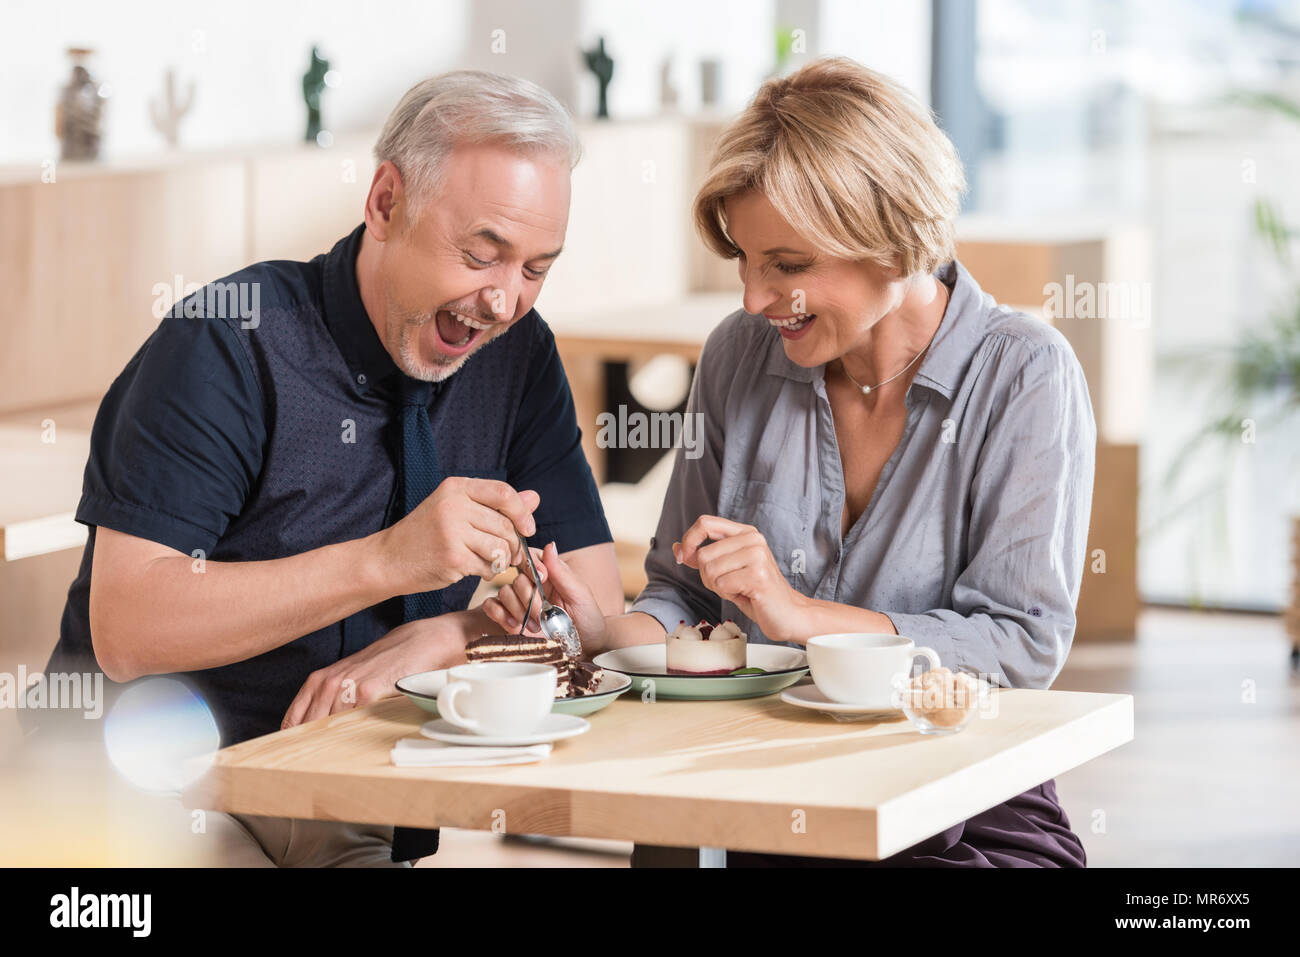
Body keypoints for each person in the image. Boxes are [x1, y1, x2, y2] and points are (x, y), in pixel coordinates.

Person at [487, 57, 1095, 867]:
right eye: (744, 259)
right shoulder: (740, 354)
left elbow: (1019, 646)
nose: (752, 297)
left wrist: (799, 615)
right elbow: (684, 592)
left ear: (893, 235)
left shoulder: (1025, 376)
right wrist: (605, 634)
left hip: (956, 802)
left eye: (789, 264)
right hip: (752, 783)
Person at [27, 70, 624, 866]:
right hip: (149, 784)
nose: (506, 299)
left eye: (536, 268)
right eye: (483, 254)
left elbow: (594, 618)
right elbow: (128, 629)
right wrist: (389, 560)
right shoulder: (226, 344)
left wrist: (454, 631)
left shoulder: (515, 358)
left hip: (346, 789)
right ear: (385, 203)